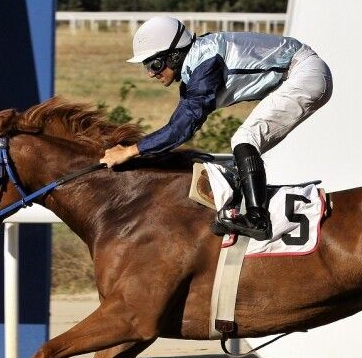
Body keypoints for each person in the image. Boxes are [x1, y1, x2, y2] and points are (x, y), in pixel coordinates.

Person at [100, 15, 333, 241]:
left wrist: (130, 151)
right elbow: (178, 126)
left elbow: (182, 128)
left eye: (155, 64)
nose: (151, 73)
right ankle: (248, 206)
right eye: (146, 66)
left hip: (303, 74)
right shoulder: (197, 64)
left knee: (245, 138)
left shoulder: (205, 65)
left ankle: (257, 219)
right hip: (301, 72)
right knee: (242, 147)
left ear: (173, 55)